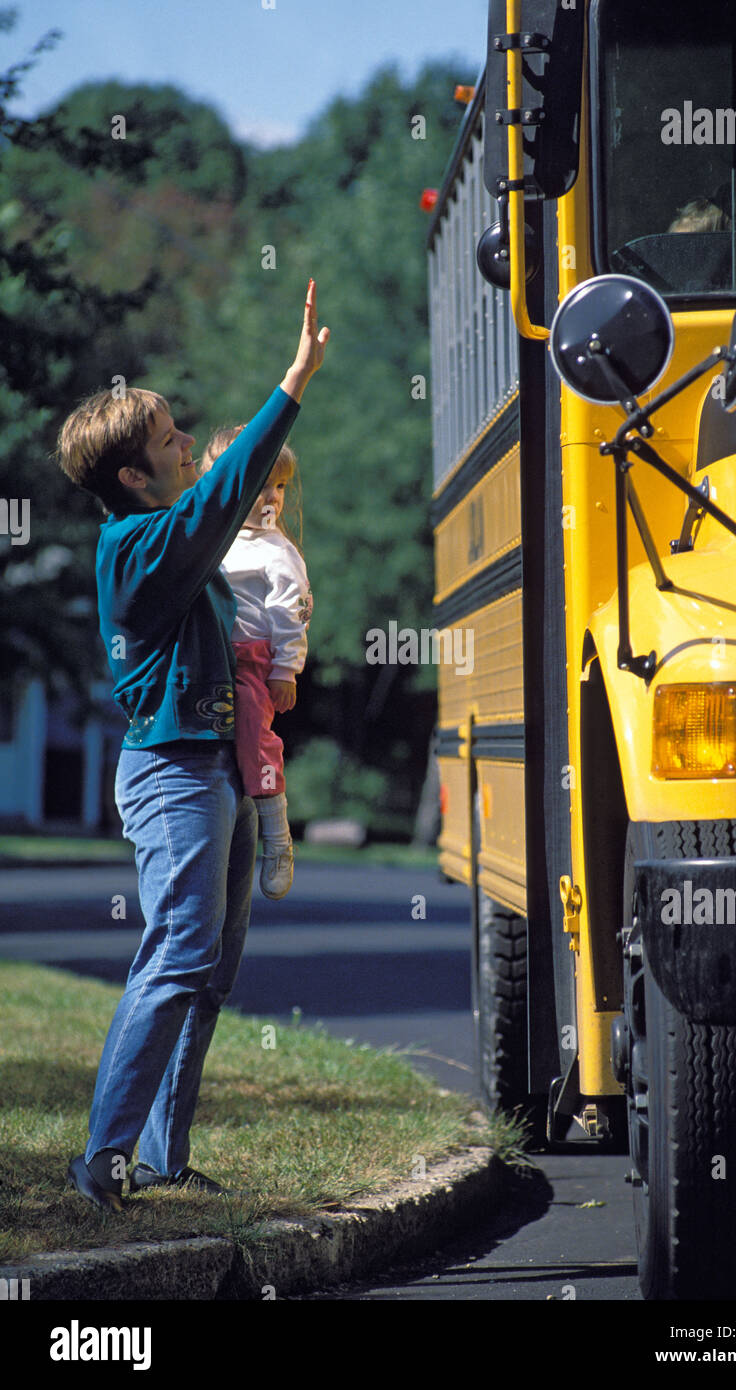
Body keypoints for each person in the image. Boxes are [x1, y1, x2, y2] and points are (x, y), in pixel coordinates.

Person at [55, 281, 329, 1212]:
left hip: (216, 766)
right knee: (177, 954)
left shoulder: (171, 541)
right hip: (173, 773)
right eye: (169, 438)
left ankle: (167, 1156)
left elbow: (230, 558)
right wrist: (292, 382)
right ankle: (102, 1159)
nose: (184, 443)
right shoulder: (140, 546)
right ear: (135, 475)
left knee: (207, 970)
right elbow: (221, 501)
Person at [198, 430, 312, 899]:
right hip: (207, 658)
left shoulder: (277, 551)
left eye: (281, 486)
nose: (273, 497)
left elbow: (292, 610)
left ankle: (278, 835)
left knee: (252, 734)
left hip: (251, 661)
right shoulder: (210, 536)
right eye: (262, 482)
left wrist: (285, 669)